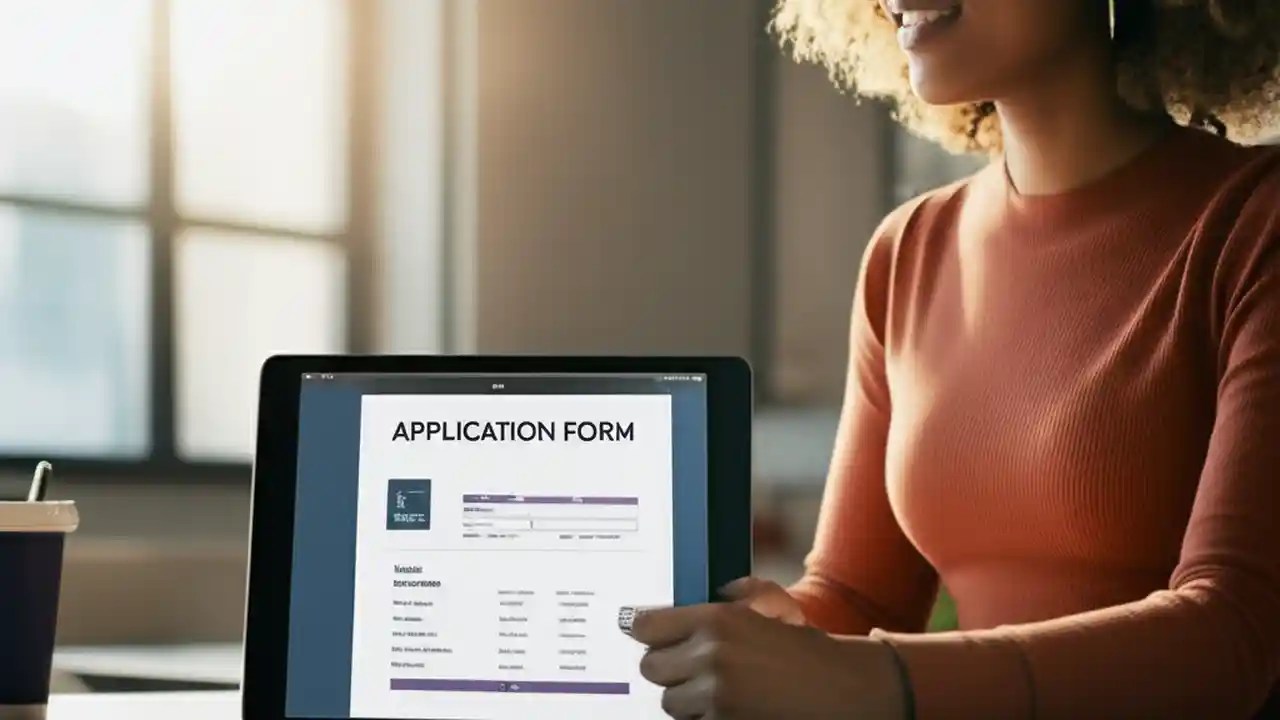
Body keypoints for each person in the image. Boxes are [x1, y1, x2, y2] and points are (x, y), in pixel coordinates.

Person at [624, 0, 1280, 717]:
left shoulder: (1253, 227)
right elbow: (857, 596)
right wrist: (760, 641)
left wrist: (866, 679)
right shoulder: (908, 251)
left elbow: (1233, 635)